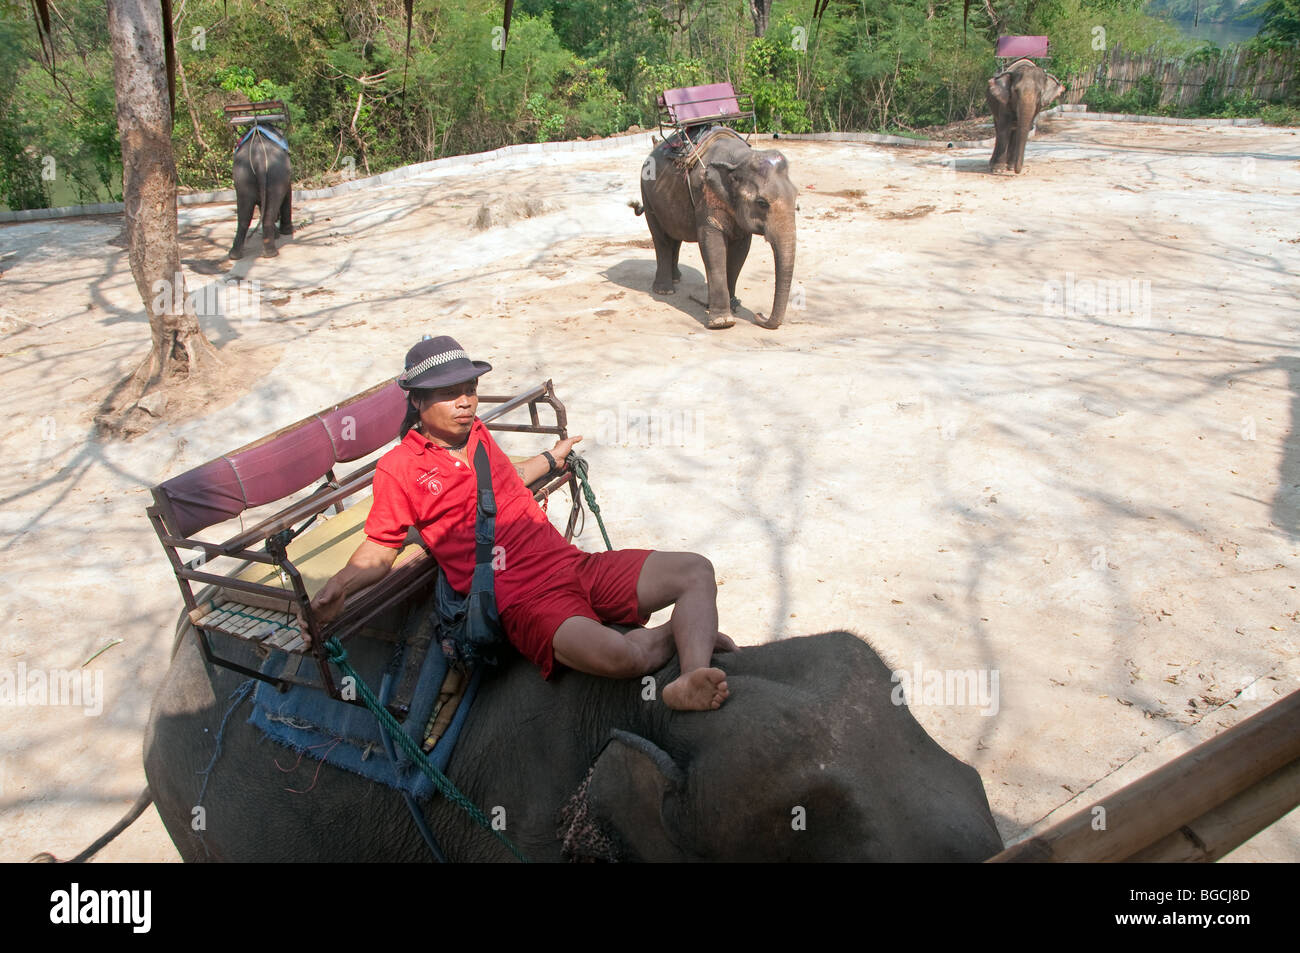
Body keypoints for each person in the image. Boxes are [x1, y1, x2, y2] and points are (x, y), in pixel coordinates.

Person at [309, 336, 733, 711]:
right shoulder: (398, 468)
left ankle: (691, 673)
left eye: (470, 390)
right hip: (521, 597)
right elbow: (383, 547)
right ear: (416, 401)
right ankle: (684, 633)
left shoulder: (478, 434)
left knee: (695, 570)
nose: (466, 402)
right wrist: (341, 586)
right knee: (621, 659)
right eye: (449, 394)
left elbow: (509, 482)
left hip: (571, 564)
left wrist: (553, 457)